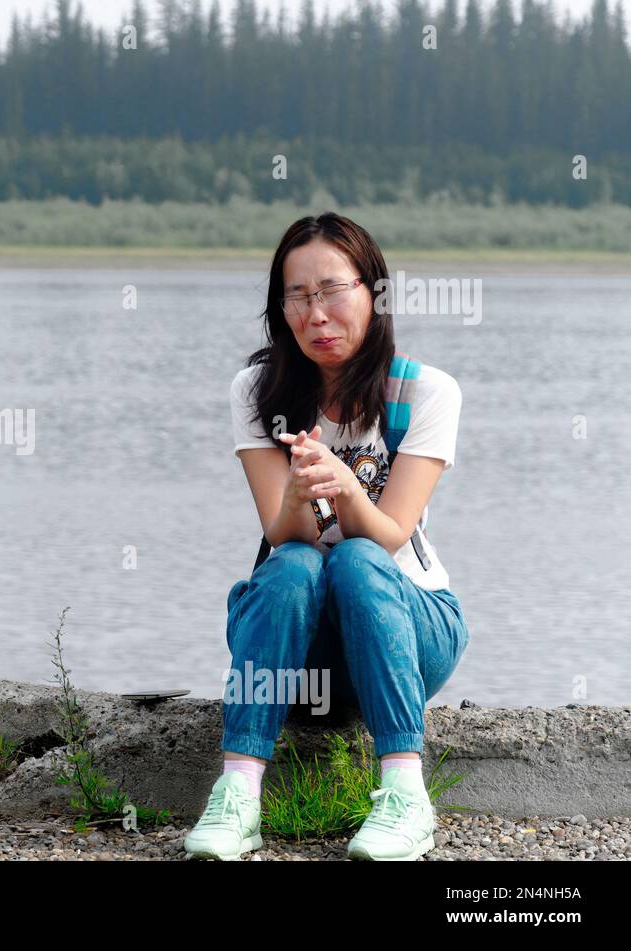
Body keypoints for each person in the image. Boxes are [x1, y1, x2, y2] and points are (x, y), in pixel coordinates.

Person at [184, 212, 469, 861]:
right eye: (298, 295)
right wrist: (295, 498)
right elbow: (281, 535)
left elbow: (393, 534)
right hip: (298, 658)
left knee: (361, 558)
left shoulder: (423, 392)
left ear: (374, 292)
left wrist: (344, 484)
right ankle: (238, 796)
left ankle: (405, 794)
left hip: (409, 633)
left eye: (334, 289)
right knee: (291, 565)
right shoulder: (257, 391)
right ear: (279, 307)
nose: (317, 312)